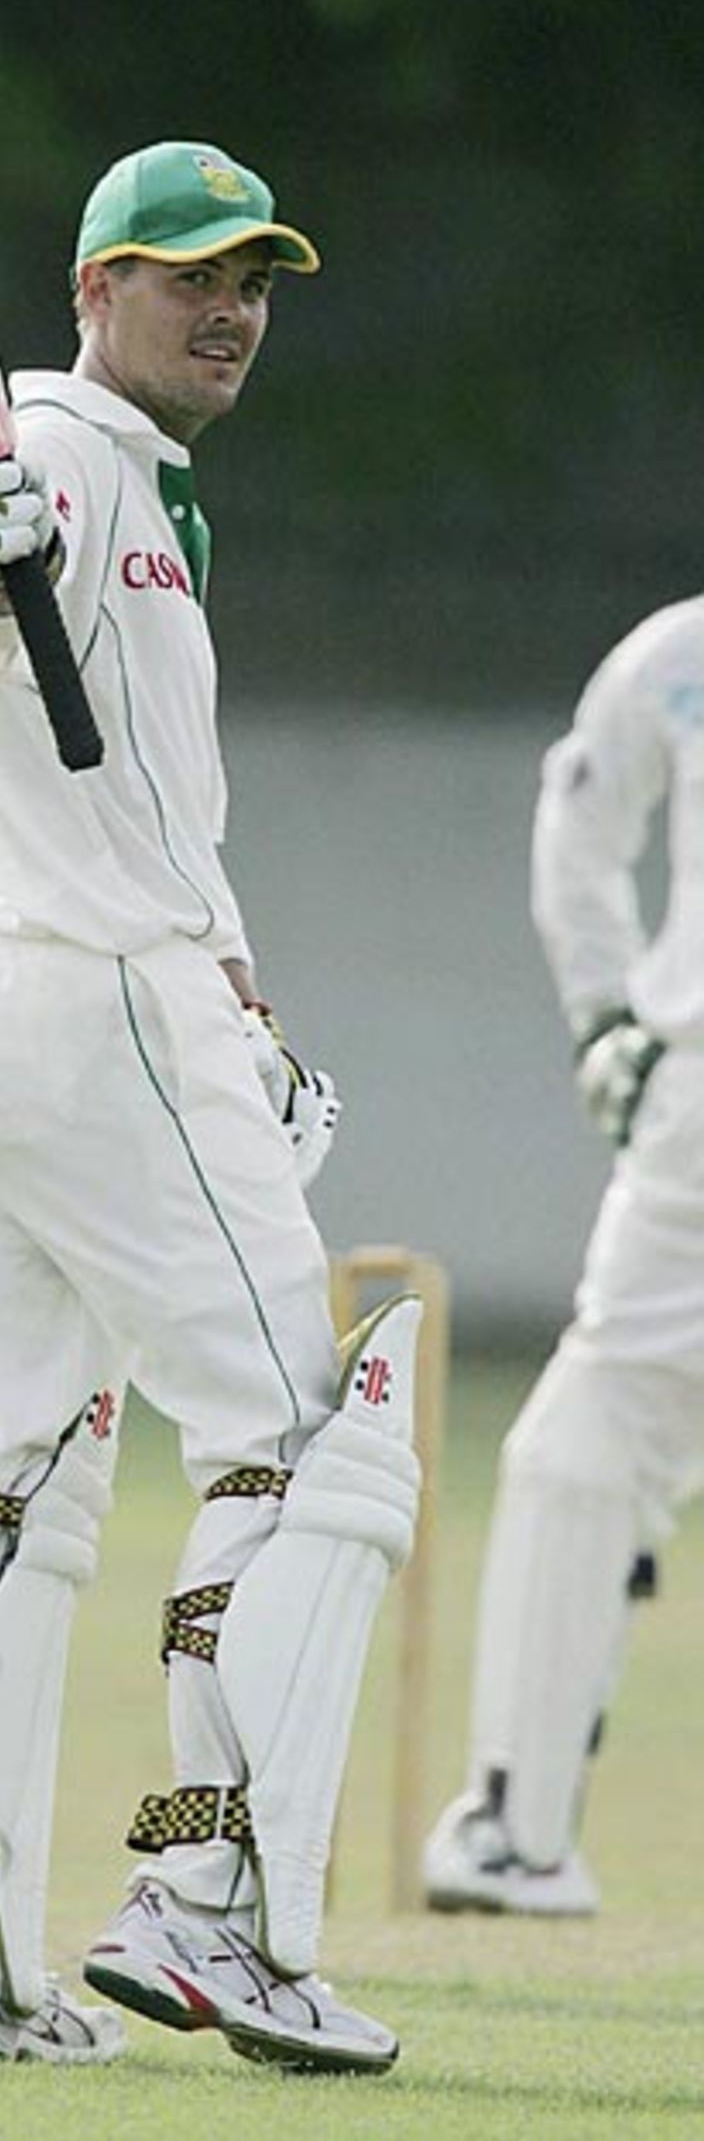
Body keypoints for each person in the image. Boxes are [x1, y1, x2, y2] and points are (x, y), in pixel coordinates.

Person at [0, 138, 423, 2072]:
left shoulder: (145, 496)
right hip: (91, 1004)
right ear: (94, 289)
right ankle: (214, 1905)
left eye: (257, 279)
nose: (234, 308)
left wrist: (237, 975)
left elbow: (133, 774)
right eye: (191, 274)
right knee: (314, 1443)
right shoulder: (57, 443)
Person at [423, 596, 704, 1915]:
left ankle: (516, 1824)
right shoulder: (682, 656)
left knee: (589, 1440)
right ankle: (519, 1826)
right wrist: (603, 1012)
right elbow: (582, 821)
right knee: (589, 1443)